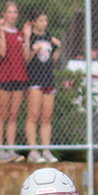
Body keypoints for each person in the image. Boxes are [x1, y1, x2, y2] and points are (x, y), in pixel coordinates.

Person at [0, 1, 28, 163]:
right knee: (2, 115)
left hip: (19, 76)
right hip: (4, 77)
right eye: (10, 12)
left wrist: (27, 36)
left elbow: (26, 57)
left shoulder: (20, 33)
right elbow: (2, 52)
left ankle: (10, 149)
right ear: (4, 14)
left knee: (13, 115)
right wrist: (3, 32)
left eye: (15, 12)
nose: (13, 15)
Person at [22, 10, 62, 164]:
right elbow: (25, 59)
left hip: (48, 79)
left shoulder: (48, 37)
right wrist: (34, 50)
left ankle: (46, 149)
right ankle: (33, 150)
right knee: (33, 115)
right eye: (41, 21)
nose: (44, 24)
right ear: (34, 22)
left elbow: (53, 60)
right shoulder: (30, 37)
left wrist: (57, 48)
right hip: (34, 80)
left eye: (46, 20)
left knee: (47, 117)